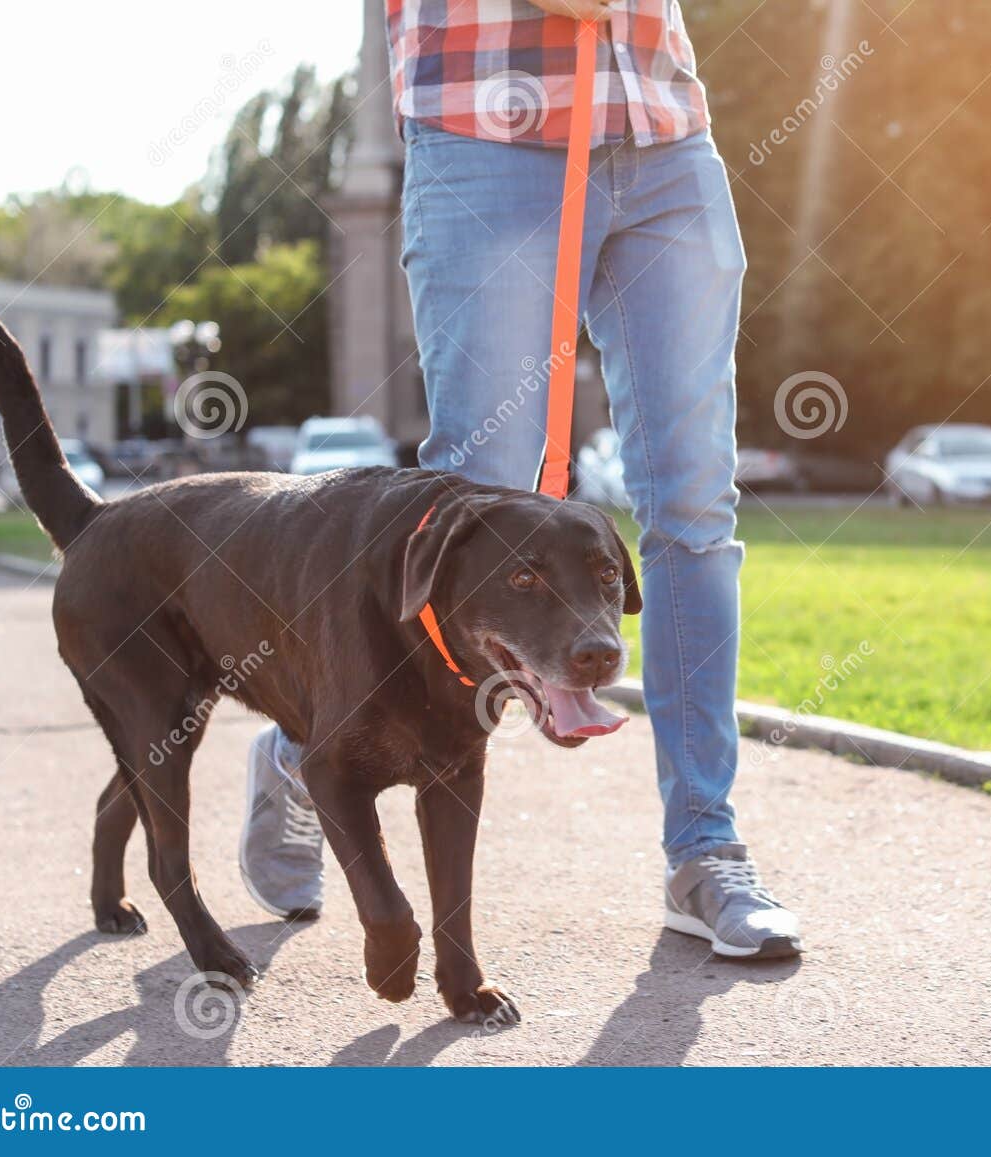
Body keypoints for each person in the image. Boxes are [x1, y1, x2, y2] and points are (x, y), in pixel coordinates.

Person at [239, 0, 802, 959]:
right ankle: (311, 748)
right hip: (485, 125)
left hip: (664, 129)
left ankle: (704, 848)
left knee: (695, 503)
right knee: (471, 499)